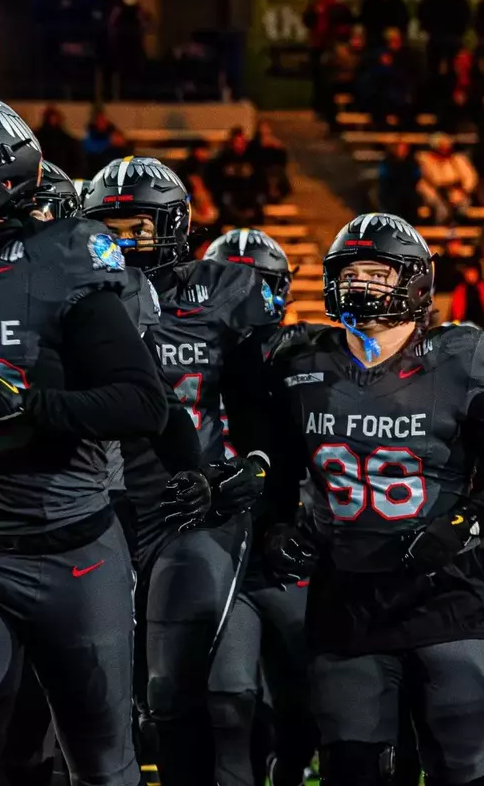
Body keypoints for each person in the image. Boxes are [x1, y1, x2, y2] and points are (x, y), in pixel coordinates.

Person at [255, 213, 484, 785]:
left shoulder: (461, 356)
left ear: (413, 284)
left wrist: (466, 522)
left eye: (376, 273)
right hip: (346, 597)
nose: (360, 284)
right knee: (351, 766)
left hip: (442, 594)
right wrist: (276, 525)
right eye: (350, 272)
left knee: (462, 763)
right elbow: (279, 469)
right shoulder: (303, 361)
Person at [82, 156, 280, 786]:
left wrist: (256, 466)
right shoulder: (70, 287)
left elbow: (265, 408)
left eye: (138, 226)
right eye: (109, 227)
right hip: (96, 510)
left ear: (171, 225)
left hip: (191, 508)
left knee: (182, 692)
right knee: (94, 702)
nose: (124, 241)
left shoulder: (226, 290)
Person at [0, 104, 171, 786]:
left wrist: (29, 404)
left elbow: (141, 403)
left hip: (73, 547)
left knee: (102, 759)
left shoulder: (66, 256)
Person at [197, 226, 316, 783]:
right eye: (231, 280)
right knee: (227, 701)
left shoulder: (313, 356)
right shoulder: (174, 346)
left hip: (291, 549)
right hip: (214, 546)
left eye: (258, 283)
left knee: (306, 704)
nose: (245, 294)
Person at [417, 0, 471, 80]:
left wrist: (460, 31)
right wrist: (428, 29)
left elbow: (465, 14)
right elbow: (423, 13)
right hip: (436, 36)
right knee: (433, 68)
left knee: (453, 68)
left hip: (453, 36)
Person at [205, 127, 267, 227]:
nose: (240, 145)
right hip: (230, 196)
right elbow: (214, 180)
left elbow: (260, 181)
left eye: (242, 142)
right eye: (237, 142)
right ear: (231, 143)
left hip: (249, 196)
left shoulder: (253, 159)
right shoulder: (222, 159)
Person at [416, 134, 478, 225]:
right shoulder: (425, 160)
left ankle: (458, 228)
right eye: (442, 146)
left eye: (446, 145)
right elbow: (433, 180)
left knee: (464, 206)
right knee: (442, 210)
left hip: (457, 193)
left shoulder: (457, 159)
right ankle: (439, 234)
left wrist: (464, 190)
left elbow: (471, 177)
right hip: (435, 194)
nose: (445, 148)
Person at [377, 141, 422, 222]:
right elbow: (385, 179)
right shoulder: (387, 162)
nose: (403, 150)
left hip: (409, 191)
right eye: (401, 148)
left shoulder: (412, 162)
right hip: (391, 191)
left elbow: (417, 176)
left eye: (405, 148)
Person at [34, 105, 81, 175]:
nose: (53, 121)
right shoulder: (37, 138)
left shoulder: (67, 141)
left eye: (55, 118)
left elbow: (76, 162)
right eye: (51, 118)